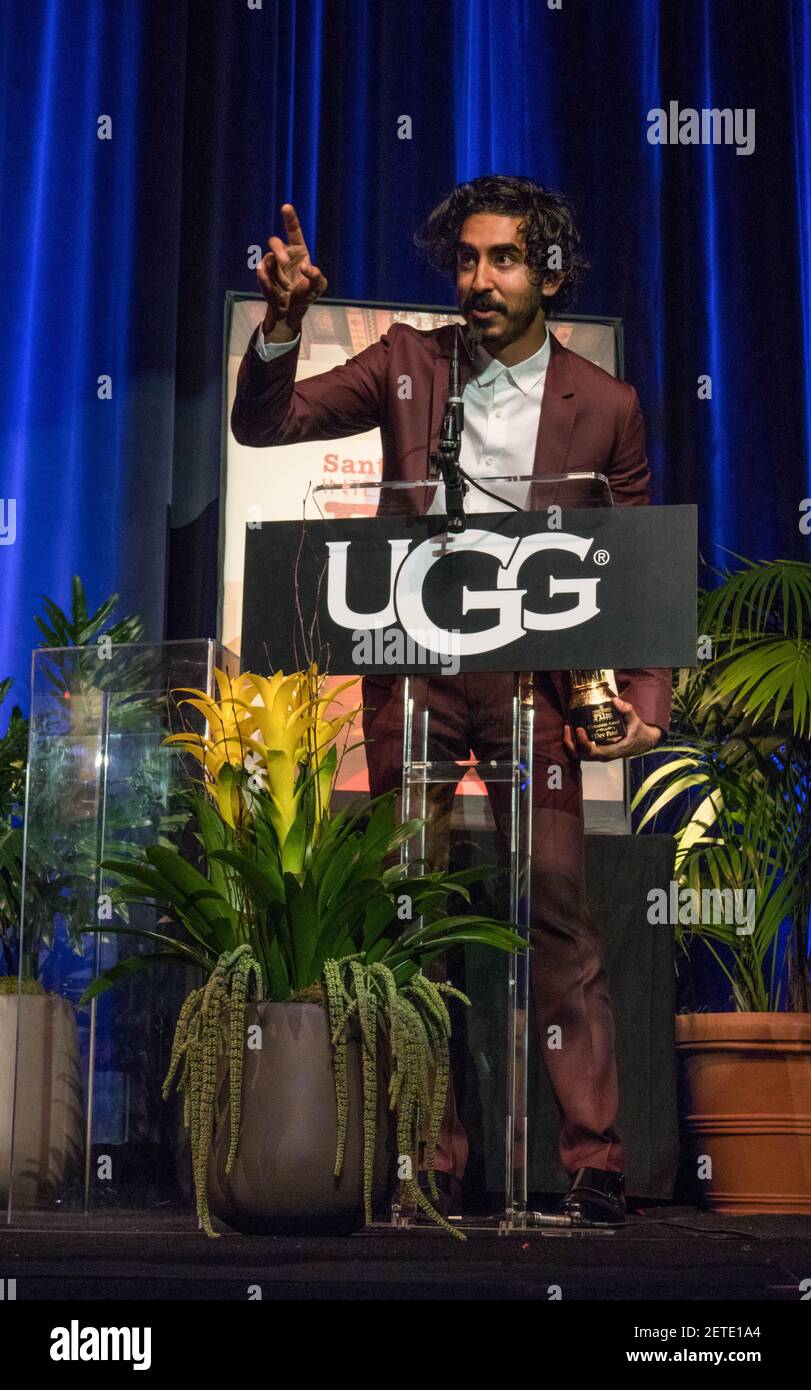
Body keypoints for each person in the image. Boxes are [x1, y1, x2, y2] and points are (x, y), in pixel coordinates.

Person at [231, 175, 671, 1226]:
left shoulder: (603, 406)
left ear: (549, 274)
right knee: (410, 914)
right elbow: (268, 419)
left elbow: (631, 559)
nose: (478, 280)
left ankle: (593, 1160)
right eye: (467, 260)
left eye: (504, 259)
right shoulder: (408, 363)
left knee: (559, 910)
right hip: (416, 678)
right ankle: (428, 1155)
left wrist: (642, 706)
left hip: (537, 687)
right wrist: (284, 323)